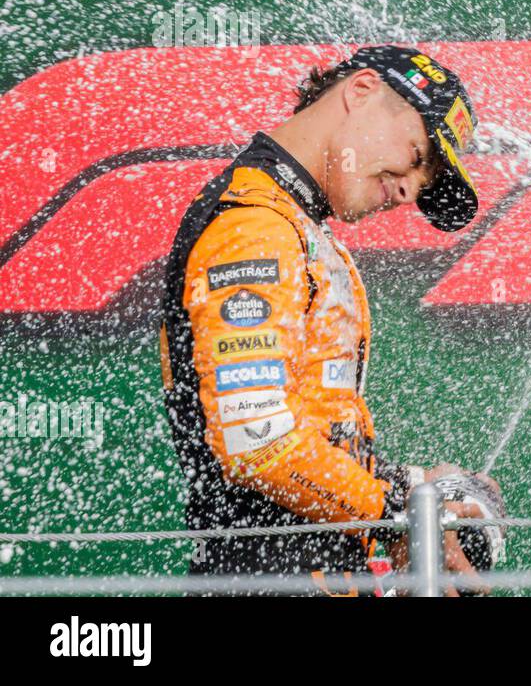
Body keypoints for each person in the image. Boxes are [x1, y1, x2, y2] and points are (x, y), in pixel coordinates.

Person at [159, 44, 488, 594]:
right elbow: (260, 445)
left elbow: (312, 431)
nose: (410, 189)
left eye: (425, 180)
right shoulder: (254, 227)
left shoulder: (294, 222)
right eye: (417, 152)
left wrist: (419, 488)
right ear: (361, 91)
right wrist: (398, 511)